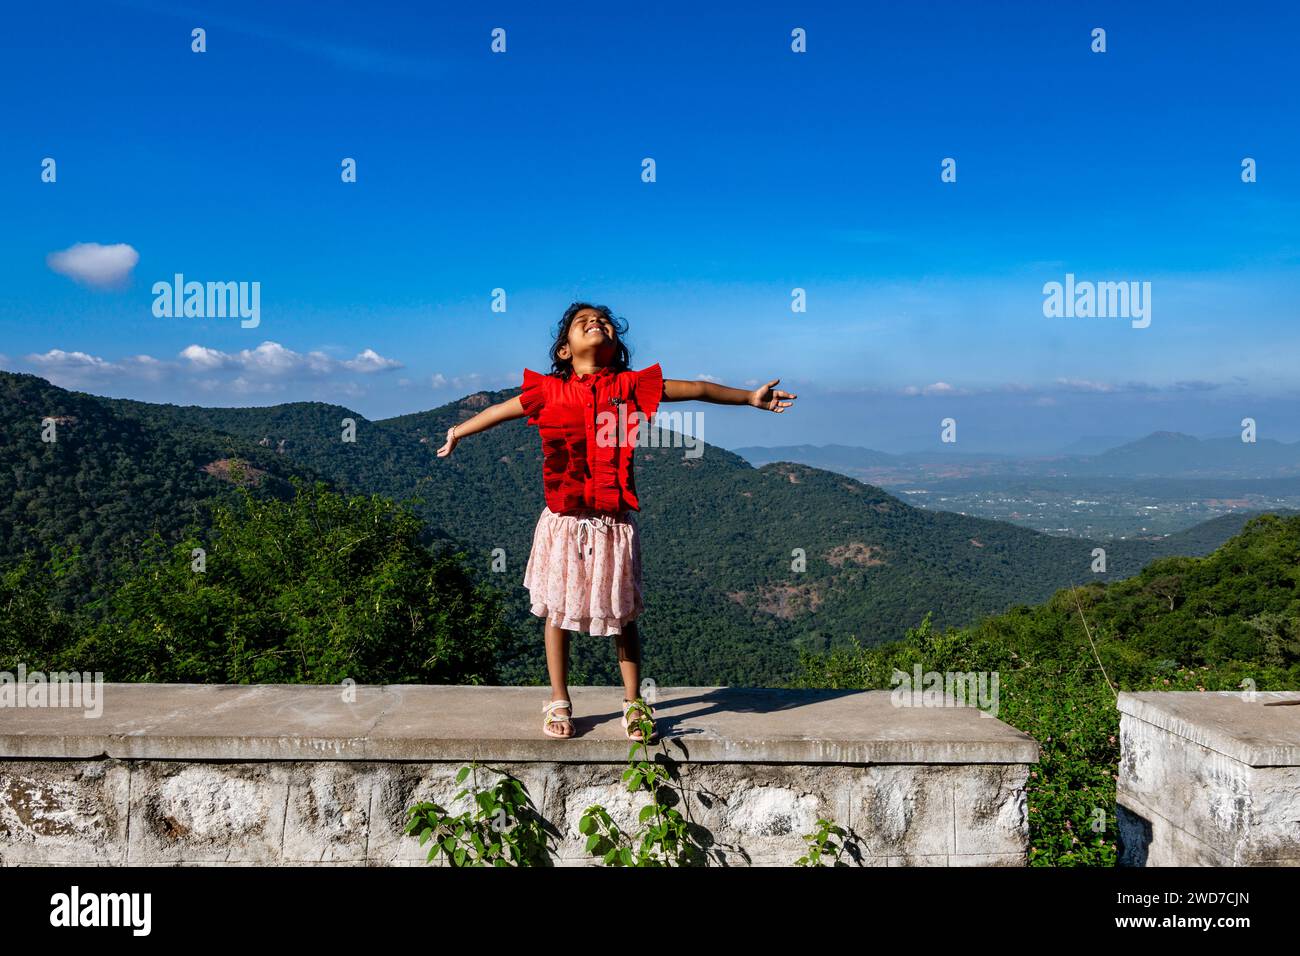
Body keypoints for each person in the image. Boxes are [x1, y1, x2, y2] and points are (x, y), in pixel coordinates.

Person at [437, 302, 796, 740]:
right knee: (557, 610)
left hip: (612, 523)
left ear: (616, 347)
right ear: (565, 349)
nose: (595, 323)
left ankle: (633, 702)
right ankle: (559, 699)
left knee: (623, 613)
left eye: (603, 321)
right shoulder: (547, 391)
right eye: (581, 321)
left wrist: (748, 398)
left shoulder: (629, 385)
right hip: (563, 522)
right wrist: (459, 431)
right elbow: (501, 410)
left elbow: (697, 389)